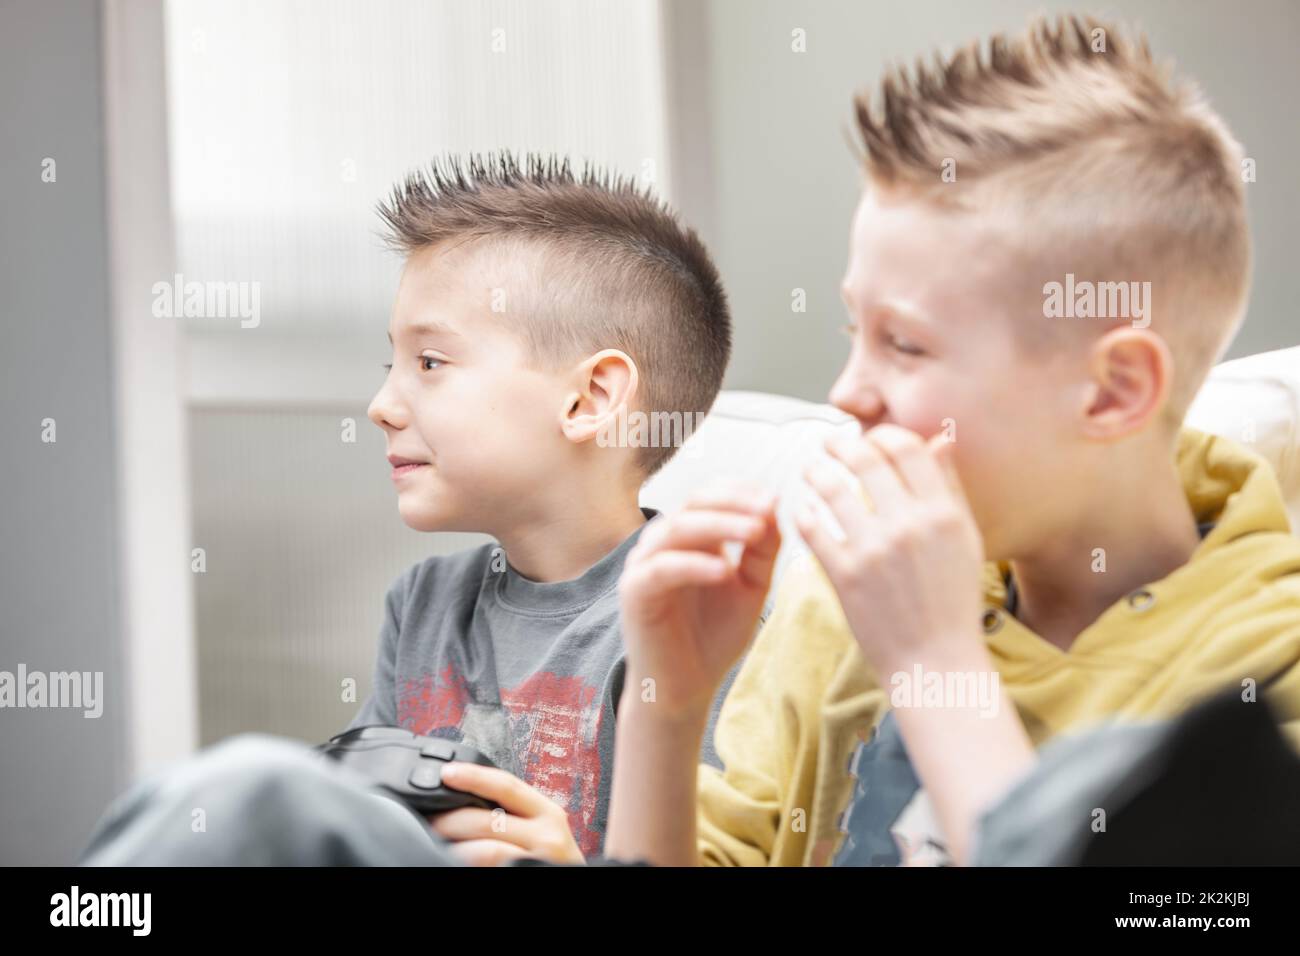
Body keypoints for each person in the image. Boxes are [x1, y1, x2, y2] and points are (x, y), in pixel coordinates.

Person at [604, 14, 1300, 868]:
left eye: (904, 343)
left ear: (1113, 391)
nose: (847, 392)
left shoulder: (1267, 670)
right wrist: (666, 711)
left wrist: (934, 662)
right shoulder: (847, 591)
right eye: (854, 328)